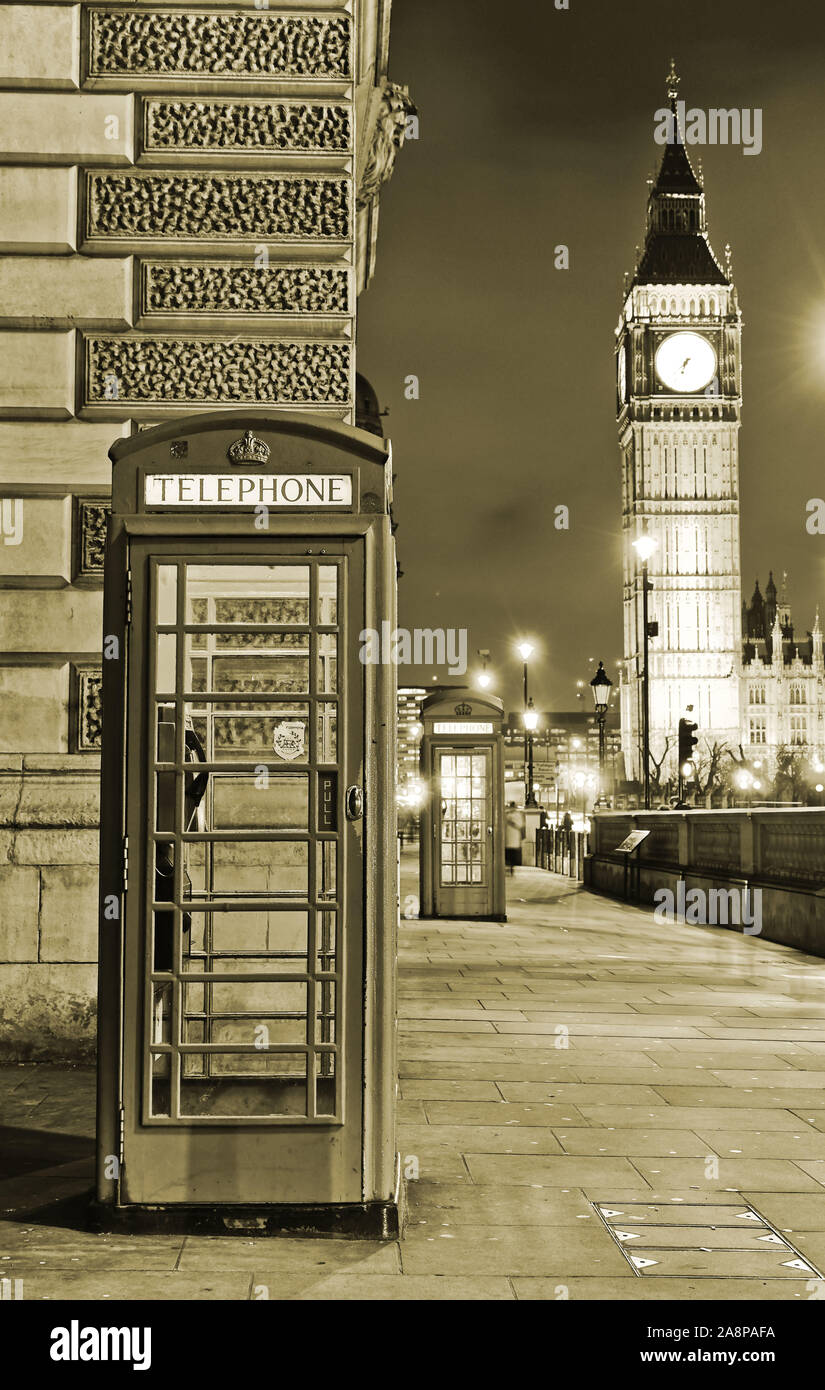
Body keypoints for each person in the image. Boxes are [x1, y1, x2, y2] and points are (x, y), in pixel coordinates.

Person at [504, 802, 525, 875]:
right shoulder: (507, 814)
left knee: (512, 854)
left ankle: (511, 869)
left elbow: (520, 825)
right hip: (508, 837)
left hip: (514, 837)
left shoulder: (517, 815)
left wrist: (510, 822)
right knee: (508, 853)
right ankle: (508, 868)